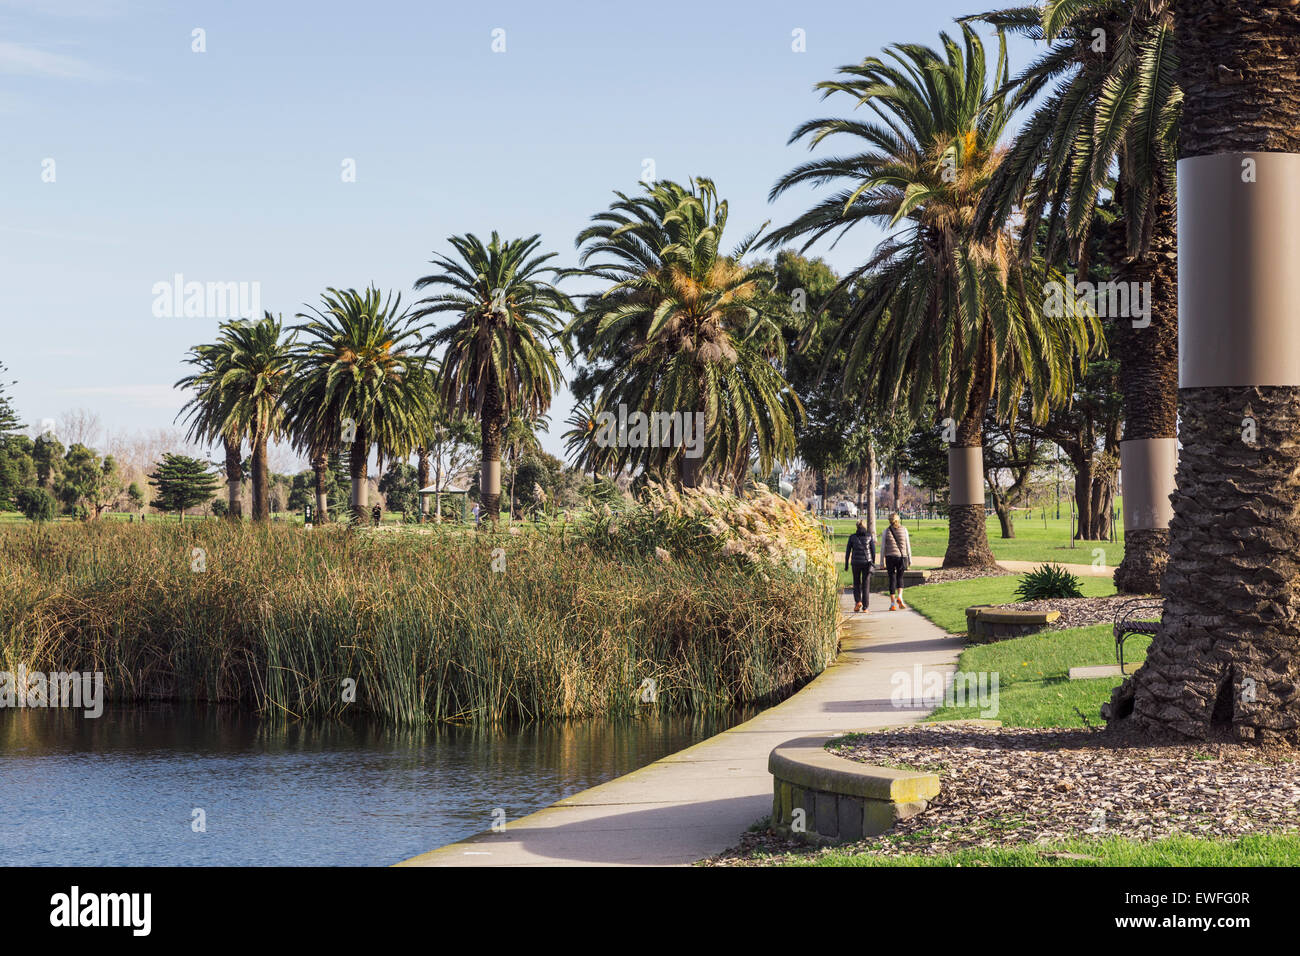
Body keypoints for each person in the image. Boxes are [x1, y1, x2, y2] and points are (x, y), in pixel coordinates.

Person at [844, 520, 876, 612]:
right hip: (867, 562)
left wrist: (846, 564)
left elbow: (848, 552)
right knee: (866, 584)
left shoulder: (852, 537)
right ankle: (865, 607)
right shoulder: (869, 536)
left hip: (855, 563)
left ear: (857, 527)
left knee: (856, 583)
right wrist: (872, 563)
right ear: (865, 527)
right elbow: (873, 551)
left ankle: (858, 601)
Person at [883, 512, 912, 610]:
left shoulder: (886, 531)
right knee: (900, 577)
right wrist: (910, 560)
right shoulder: (904, 530)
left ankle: (892, 604)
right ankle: (900, 596)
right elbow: (908, 546)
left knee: (892, 578)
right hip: (902, 557)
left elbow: (883, 547)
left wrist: (881, 562)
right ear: (898, 520)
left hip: (890, 557)